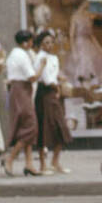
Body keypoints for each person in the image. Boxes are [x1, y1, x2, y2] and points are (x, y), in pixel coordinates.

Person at [34, 29, 72, 175]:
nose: (49, 45)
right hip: (45, 94)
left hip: (54, 93)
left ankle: (55, 161)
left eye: (50, 42)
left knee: (60, 127)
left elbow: (54, 75)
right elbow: (46, 79)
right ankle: (43, 164)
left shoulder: (53, 58)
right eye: (45, 43)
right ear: (40, 44)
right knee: (45, 127)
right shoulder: (40, 58)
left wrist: (60, 80)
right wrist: (57, 86)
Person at [2, 29, 40, 177]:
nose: (32, 44)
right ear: (25, 42)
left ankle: (29, 163)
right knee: (30, 126)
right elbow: (32, 77)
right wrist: (42, 66)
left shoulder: (13, 54)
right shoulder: (22, 55)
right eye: (30, 41)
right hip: (22, 90)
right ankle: (10, 158)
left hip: (18, 90)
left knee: (24, 126)